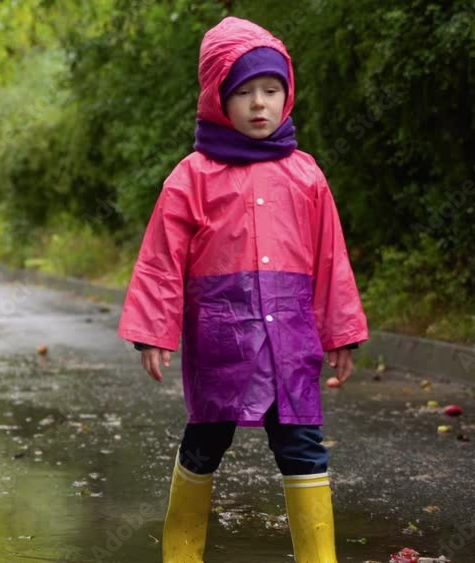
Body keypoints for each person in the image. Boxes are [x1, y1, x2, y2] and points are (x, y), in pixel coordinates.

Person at [117, 16, 368, 563]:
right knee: (205, 446)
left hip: (292, 344)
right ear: (217, 100)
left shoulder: (307, 175)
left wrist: (341, 331)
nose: (260, 104)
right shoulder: (193, 176)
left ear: (287, 95)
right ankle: (180, 555)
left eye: (271, 90)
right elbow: (161, 259)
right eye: (245, 92)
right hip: (220, 344)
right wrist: (153, 330)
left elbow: (331, 260)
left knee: (301, 448)